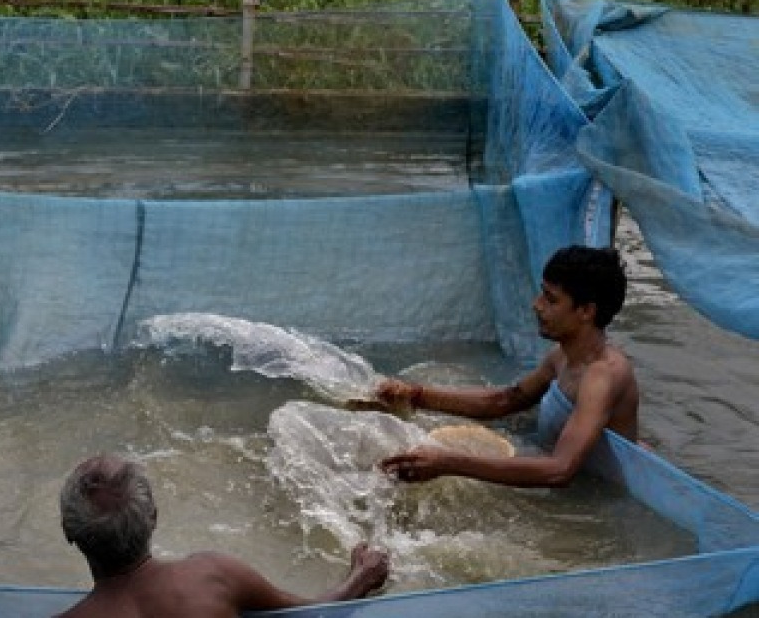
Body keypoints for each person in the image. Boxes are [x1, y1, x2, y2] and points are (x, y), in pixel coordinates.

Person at [375, 244, 637, 488]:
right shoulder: (561, 356)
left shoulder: (603, 376)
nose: (537, 305)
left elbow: (559, 469)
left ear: (586, 312)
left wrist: (450, 463)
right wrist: (417, 395)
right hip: (565, 479)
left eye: (551, 299)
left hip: (595, 494)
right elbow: (504, 401)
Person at [56, 453, 389, 618]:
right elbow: (310, 615)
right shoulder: (212, 577)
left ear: (68, 532)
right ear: (153, 517)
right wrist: (362, 576)